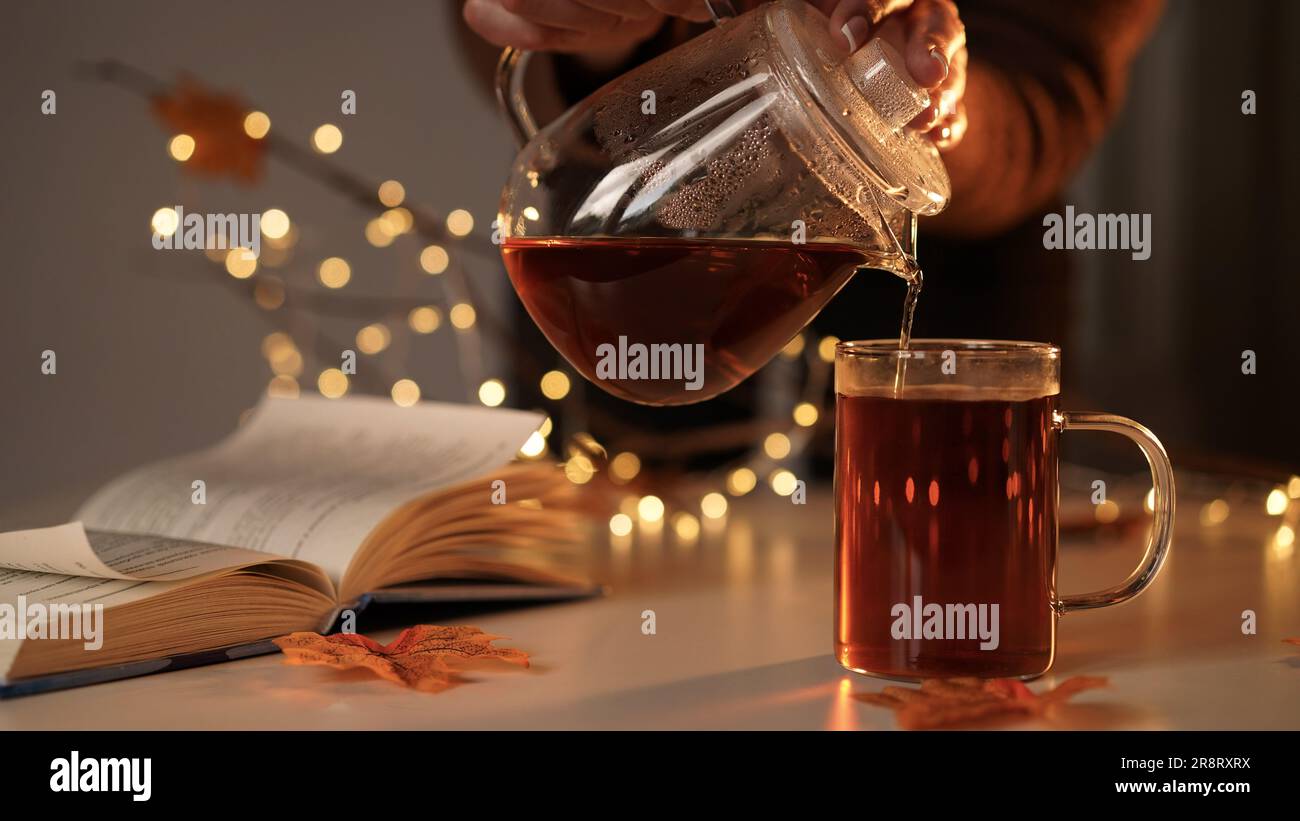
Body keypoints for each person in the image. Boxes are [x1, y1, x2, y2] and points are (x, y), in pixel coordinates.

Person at [457, 0, 1165, 472]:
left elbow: (1054, 84)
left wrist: (924, 108)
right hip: (625, 224)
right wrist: (597, 34)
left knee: (925, 571)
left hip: (969, 273)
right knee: (613, 588)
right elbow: (486, 21)